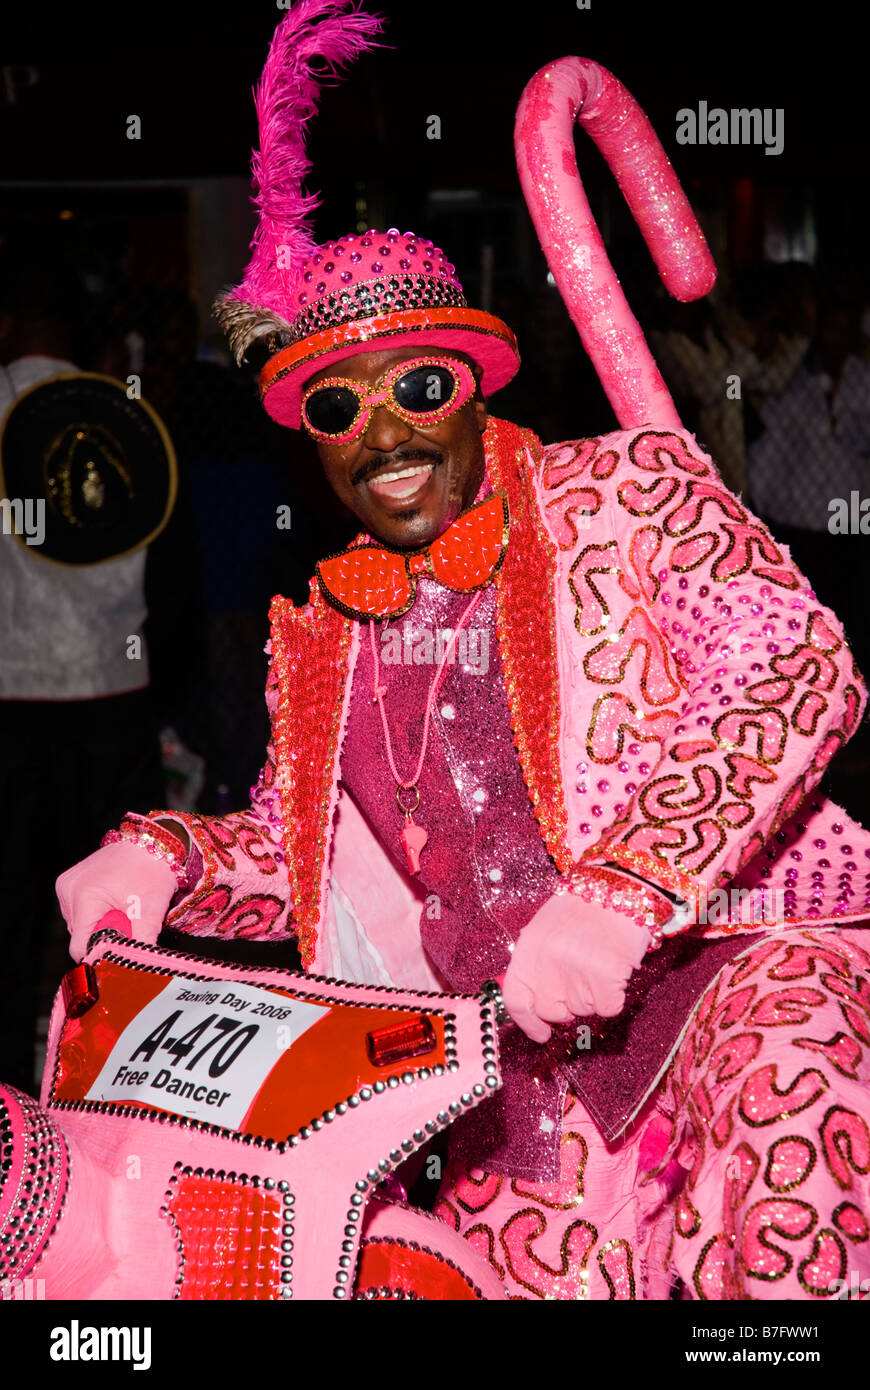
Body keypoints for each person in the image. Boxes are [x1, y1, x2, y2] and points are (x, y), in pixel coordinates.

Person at [54, 1, 870, 1300]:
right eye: (339, 404)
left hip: (736, 983)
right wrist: (161, 855)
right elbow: (292, 861)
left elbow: (798, 675)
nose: (384, 430)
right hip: (523, 1095)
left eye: (417, 385)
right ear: (312, 440)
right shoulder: (317, 635)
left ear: (475, 383)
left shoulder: (626, 493)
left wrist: (624, 891)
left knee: (779, 1213)